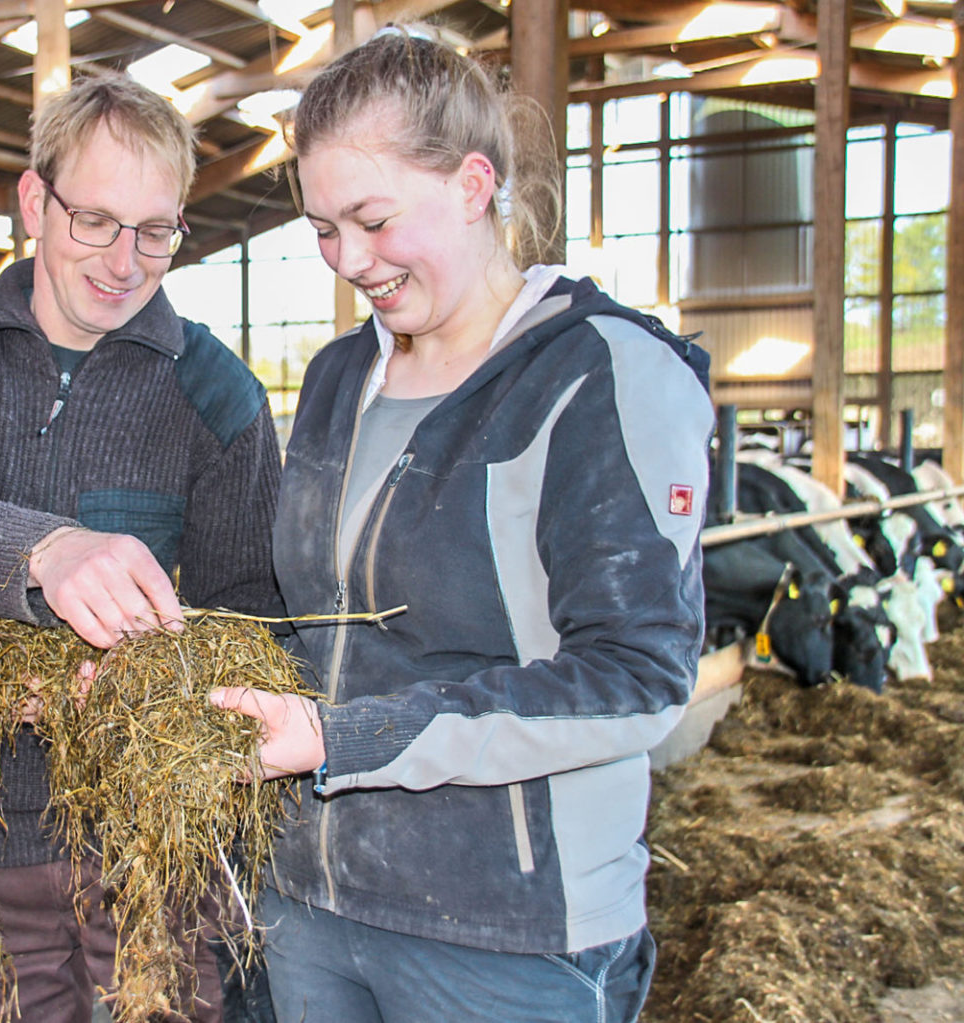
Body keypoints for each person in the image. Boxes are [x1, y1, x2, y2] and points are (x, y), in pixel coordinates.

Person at [208, 28, 713, 1023]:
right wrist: (175, 667)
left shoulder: (595, 374)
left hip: (507, 934)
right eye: (321, 229)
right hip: (310, 903)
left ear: (475, 183)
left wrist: (343, 737)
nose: (348, 260)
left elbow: (637, 681)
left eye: (372, 219)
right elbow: (312, 618)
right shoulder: (335, 380)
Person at [0, 72, 283, 1023]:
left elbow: (253, 610)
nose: (124, 260)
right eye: (94, 220)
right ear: (33, 204)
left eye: (155, 230)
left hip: (151, 859)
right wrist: (45, 550)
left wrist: (151, 689)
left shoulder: (216, 398)